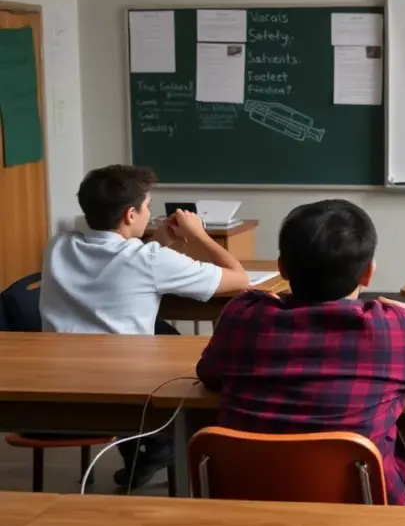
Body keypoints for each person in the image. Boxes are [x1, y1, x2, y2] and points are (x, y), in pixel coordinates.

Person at [196, 199, 405, 507]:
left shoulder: (243, 316)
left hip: (251, 506)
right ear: (368, 274)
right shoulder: (394, 330)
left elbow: (208, 374)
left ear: (282, 268)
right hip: (364, 512)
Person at [40, 164, 250, 488]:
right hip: (126, 391)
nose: (149, 213)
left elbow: (120, 266)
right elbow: (240, 278)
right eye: (147, 207)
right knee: (176, 349)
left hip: (56, 386)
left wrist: (157, 242)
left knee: (162, 331)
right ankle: (162, 446)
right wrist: (198, 234)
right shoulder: (149, 259)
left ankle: (149, 451)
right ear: (129, 214)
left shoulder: (58, 246)